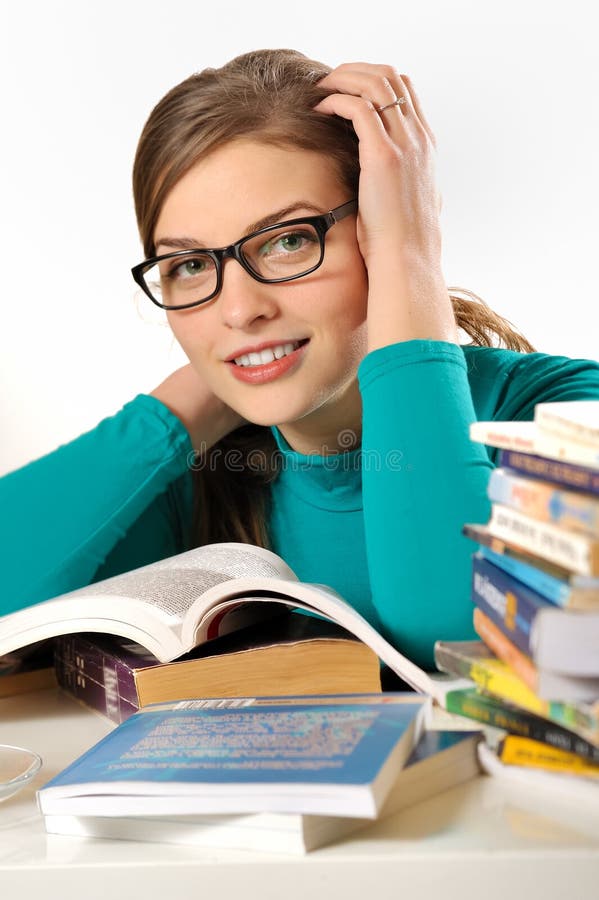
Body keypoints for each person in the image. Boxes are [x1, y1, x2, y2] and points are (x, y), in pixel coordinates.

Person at [2, 48, 598, 670]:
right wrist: (188, 404)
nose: (237, 309)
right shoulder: (203, 478)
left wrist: (409, 258)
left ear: (381, 226)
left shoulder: (562, 414)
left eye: (288, 240)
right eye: (189, 266)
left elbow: (457, 635)